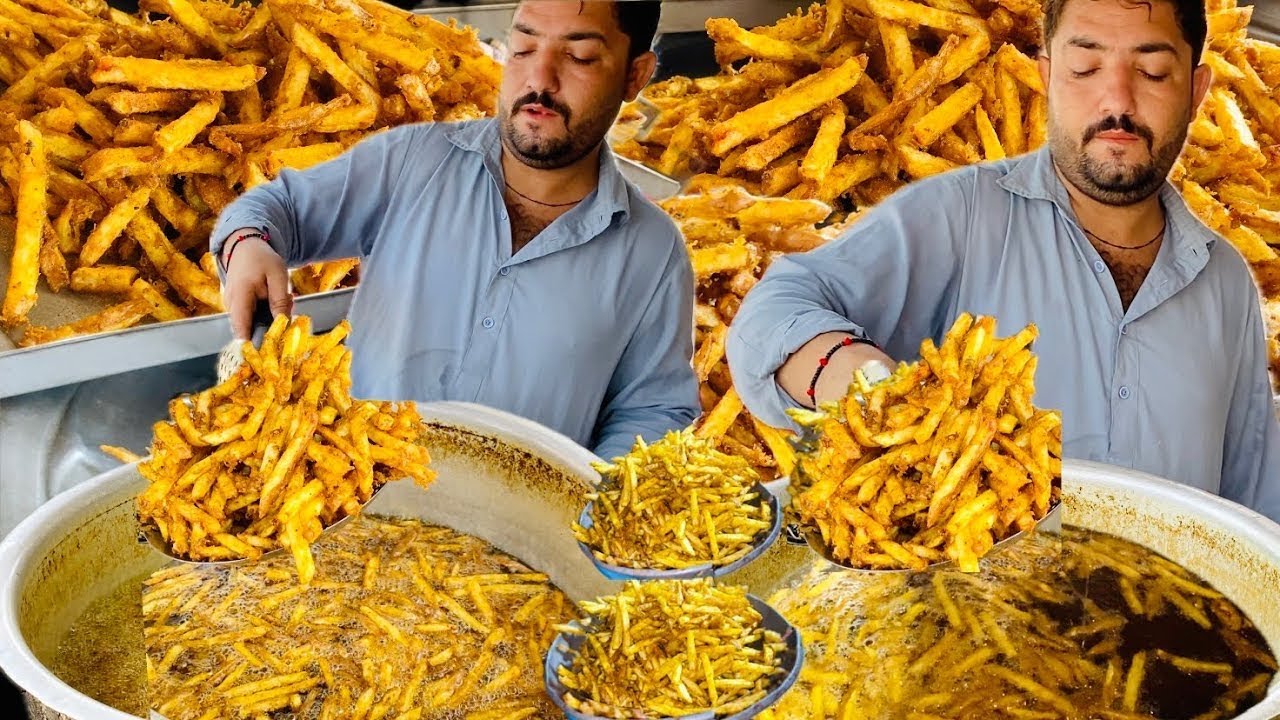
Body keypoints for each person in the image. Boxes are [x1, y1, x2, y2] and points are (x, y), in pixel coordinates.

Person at [726, 0, 1280, 522]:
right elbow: (774, 313)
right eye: (1085, 68)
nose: (1117, 101)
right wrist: (876, 390)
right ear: (1045, 78)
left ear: (1197, 89)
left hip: (1177, 617)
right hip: (962, 609)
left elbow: (1254, 494)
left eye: (1154, 73)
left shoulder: (1224, 278)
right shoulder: (962, 213)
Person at [211, 0, 699, 461]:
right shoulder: (413, 160)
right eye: (525, 47)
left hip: (517, 538)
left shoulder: (653, 249)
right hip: (349, 517)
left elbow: (652, 411)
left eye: (579, 56)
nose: (539, 79)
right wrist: (248, 243)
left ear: (636, 74)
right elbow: (279, 208)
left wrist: (593, 515)